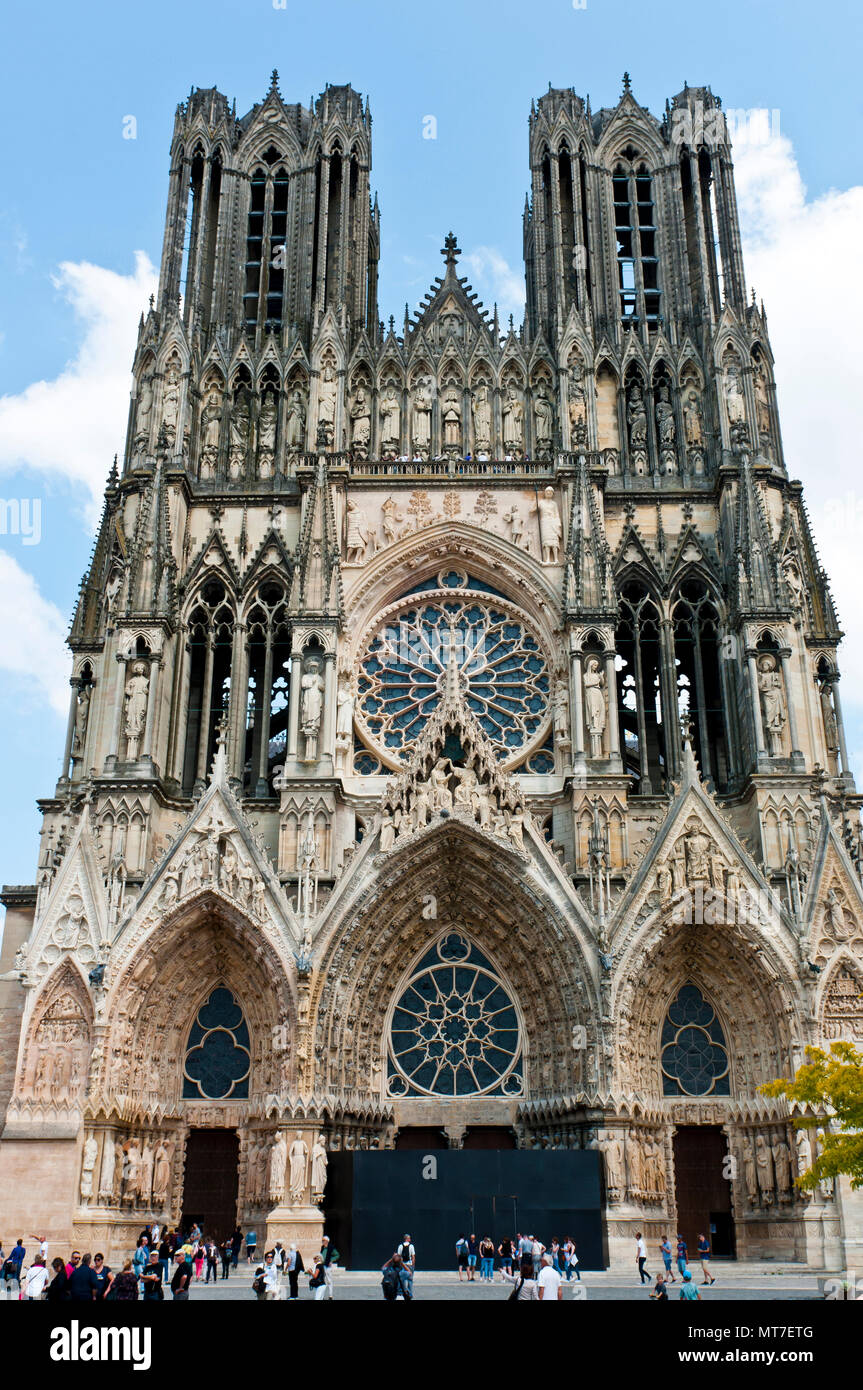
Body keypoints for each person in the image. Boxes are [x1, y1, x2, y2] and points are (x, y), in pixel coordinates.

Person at [320, 1235, 338, 1300]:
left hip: (328, 1266)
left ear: (327, 1241)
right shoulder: (322, 1247)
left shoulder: (331, 1247)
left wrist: (331, 1260)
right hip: (322, 1266)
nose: (322, 1242)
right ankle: (322, 1296)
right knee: (322, 1281)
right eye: (322, 1240)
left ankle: (330, 1295)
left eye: (323, 1240)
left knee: (329, 1281)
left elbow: (337, 1255)